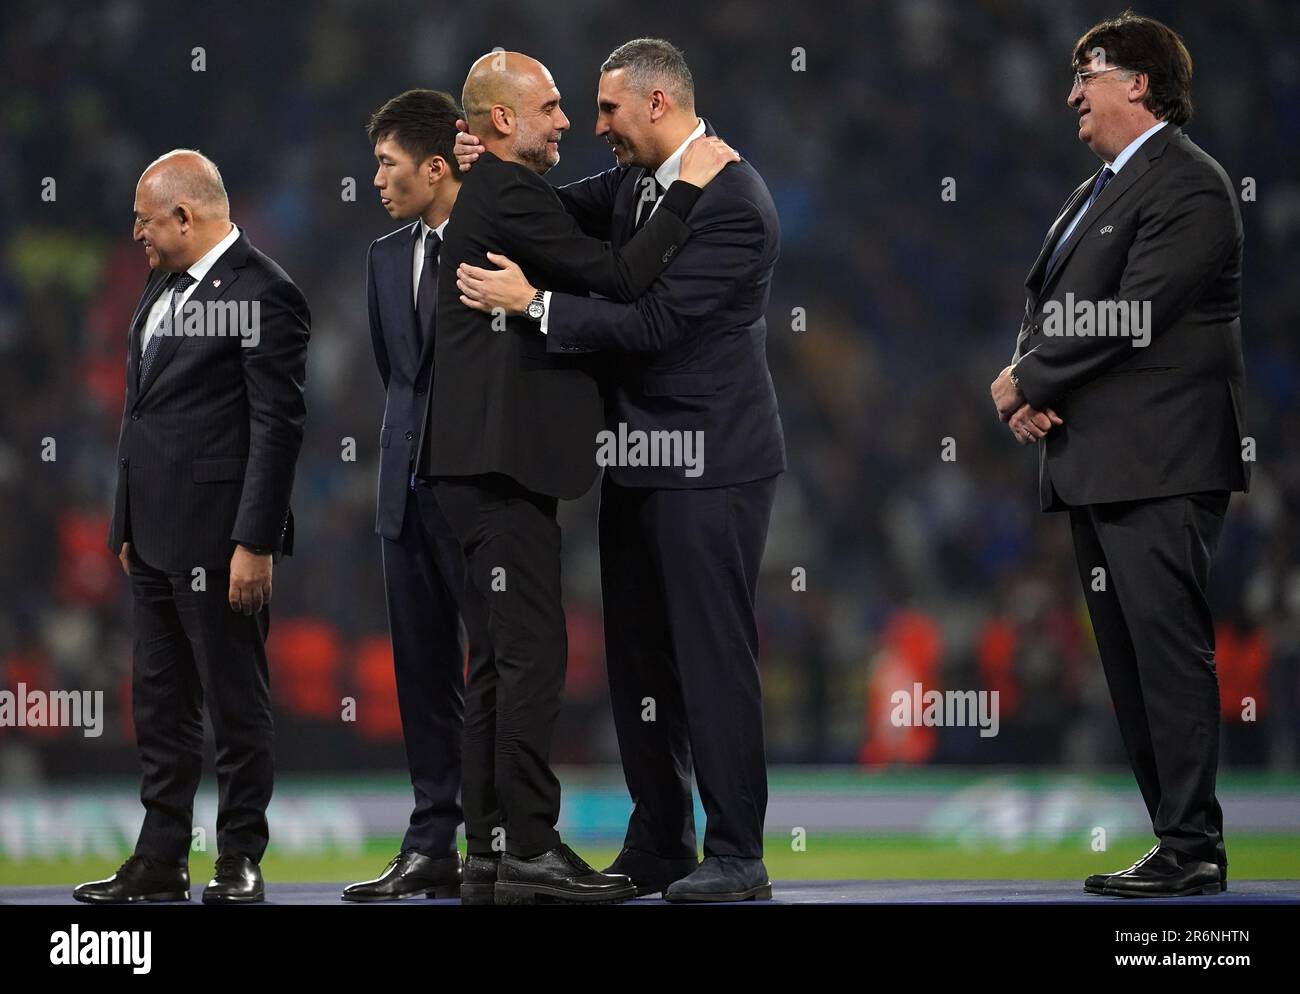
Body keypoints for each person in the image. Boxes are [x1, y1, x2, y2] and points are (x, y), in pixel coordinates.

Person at [454, 37, 784, 903]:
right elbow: (548, 211)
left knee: (711, 658)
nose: (595, 125)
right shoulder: (635, 184)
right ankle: (661, 841)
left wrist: (535, 304)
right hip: (634, 460)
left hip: (710, 462)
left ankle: (739, 853)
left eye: (606, 109)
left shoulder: (734, 200)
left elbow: (654, 324)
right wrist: (490, 168)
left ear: (656, 103)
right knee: (640, 666)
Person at [990, 12, 1247, 898]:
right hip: (1101, 460)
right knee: (1131, 666)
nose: (1071, 94)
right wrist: (1033, 375)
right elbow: (1048, 302)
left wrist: (1028, 378)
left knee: (1166, 654)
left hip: (1162, 460)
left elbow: (1135, 311)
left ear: (1138, 83)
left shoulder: (1191, 183)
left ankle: (1194, 846)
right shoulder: (1096, 190)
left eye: (1086, 75)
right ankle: (1175, 841)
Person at [78, 150, 310, 904]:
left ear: (184, 215)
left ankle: (239, 857)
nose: (135, 234)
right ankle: (160, 858)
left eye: (144, 220)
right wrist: (124, 518)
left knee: (234, 704)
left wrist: (256, 541)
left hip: (221, 541)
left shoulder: (265, 292)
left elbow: (278, 426)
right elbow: (141, 409)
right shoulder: (161, 283)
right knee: (160, 705)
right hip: (150, 535)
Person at [341, 89, 475, 902]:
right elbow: (399, 376)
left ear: (435, 167)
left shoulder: (494, 243)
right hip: (404, 494)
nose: (377, 179)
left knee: (495, 671)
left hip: (477, 494)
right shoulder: (384, 258)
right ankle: (431, 842)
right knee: (423, 677)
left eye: (388, 164)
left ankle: (499, 836)